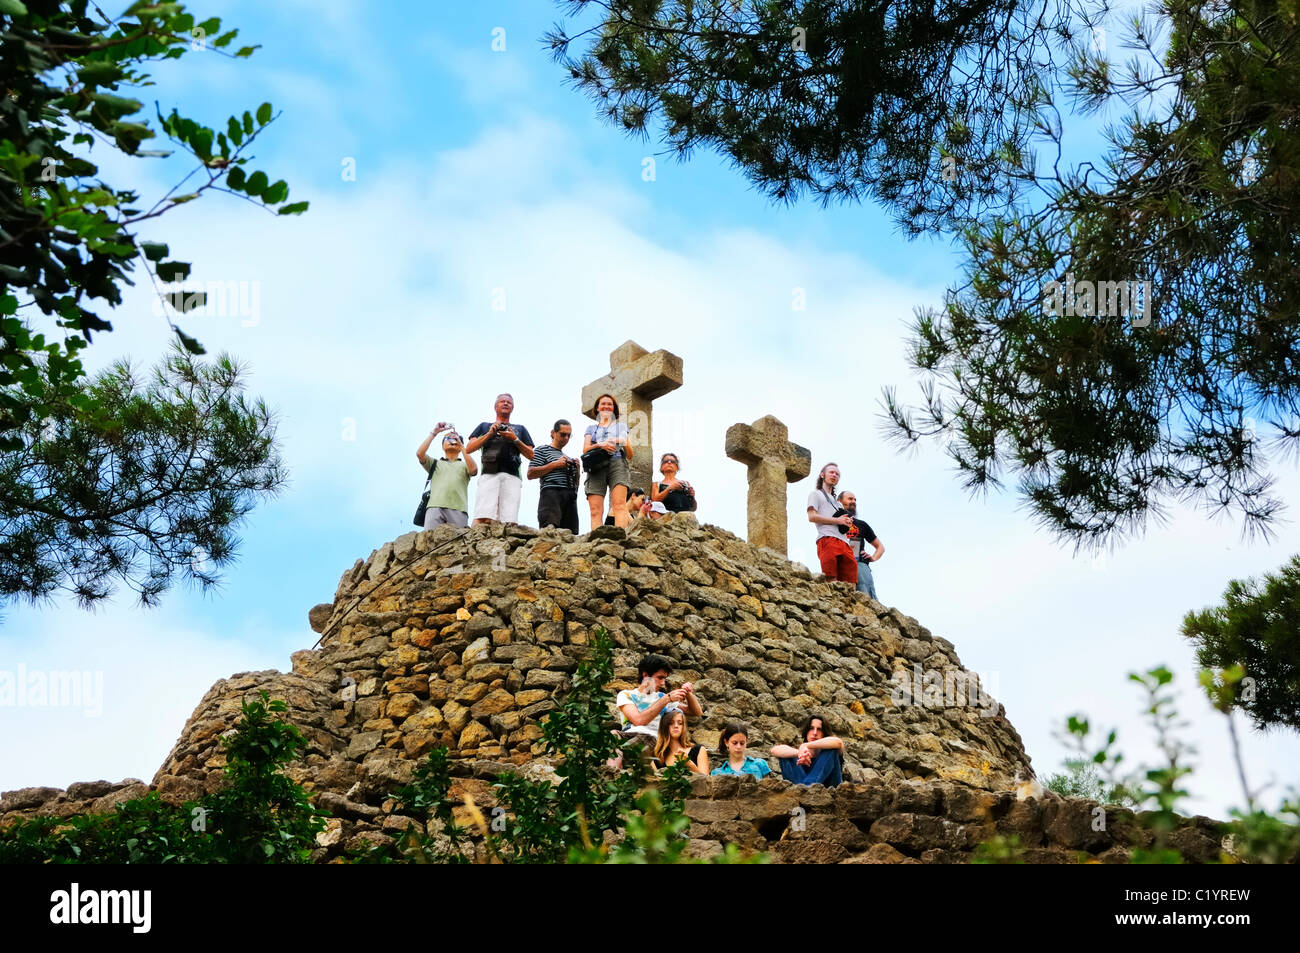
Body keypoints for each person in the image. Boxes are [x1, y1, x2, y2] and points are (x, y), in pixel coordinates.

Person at [610, 654, 705, 768]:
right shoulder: (626, 694)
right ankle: (612, 772)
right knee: (613, 734)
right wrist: (666, 699)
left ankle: (618, 768)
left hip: (653, 739)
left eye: (665, 678)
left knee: (642, 739)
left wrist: (688, 693)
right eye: (660, 678)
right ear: (645, 675)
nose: (663, 683)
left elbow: (696, 712)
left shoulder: (662, 696)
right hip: (629, 735)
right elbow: (639, 721)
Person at [465, 394, 534, 525]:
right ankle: (475, 542)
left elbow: (531, 455)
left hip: (512, 475)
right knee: (482, 516)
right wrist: (489, 434)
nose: (506, 403)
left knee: (510, 519)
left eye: (509, 402)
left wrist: (514, 439)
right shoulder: (484, 426)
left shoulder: (520, 429)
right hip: (489, 474)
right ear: (495, 407)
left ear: (512, 408)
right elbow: (469, 448)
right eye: (502, 401)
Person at [583, 394, 633, 529]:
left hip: (617, 463)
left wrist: (622, 442)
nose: (606, 406)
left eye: (609, 404)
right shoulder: (591, 429)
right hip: (596, 466)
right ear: (597, 408)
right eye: (603, 403)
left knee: (619, 505)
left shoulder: (621, 427)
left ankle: (621, 537)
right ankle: (596, 540)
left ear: (614, 408)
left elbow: (630, 454)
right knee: (595, 510)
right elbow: (585, 449)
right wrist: (601, 444)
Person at [414, 423, 477, 529]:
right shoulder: (435, 463)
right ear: (442, 446)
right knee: (430, 542)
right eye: (448, 439)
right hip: (434, 507)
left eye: (456, 439)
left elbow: (474, 470)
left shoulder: (464, 465)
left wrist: (462, 446)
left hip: (459, 508)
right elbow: (420, 454)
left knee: (458, 543)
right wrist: (434, 433)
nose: (452, 441)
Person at [807, 462, 856, 585]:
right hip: (827, 538)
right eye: (831, 472)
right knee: (831, 579)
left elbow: (840, 522)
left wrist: (846, 522)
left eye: (837, 474)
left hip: (844, 542)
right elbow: (812, 516)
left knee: (851, 581)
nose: (834, 475)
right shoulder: (815, 494)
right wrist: (837, 520)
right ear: (822, 475)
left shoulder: (838, 503)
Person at [529, 419, 580, 533]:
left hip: (570, 497)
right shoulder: (542, 450)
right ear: (553, 433)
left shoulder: (567, 457)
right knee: (549, 531)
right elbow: (530, 473)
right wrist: (554, 465)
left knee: (571, 534)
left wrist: (577, 469)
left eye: (569, 435)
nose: (566, 438)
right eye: (563, 434)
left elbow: (577, 485)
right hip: (551, 494)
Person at [771, 714, 845, 787]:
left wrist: (805, 745)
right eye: (811, 728)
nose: (815, 733)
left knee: (831, 750)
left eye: (819, 729)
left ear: (824, 733)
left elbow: (838, 742)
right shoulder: (801, 754)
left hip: (828, 790)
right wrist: (800, 753)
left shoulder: (829, 752)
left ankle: (808, 788)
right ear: (806, 731)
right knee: (787, 754)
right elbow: (774, 750)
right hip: (800, 789)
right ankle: (805, 789)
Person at [836, 489, 884, 600]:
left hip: (859, 563)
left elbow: (880, 547)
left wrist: (872, 558)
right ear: (839, 501)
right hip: (839, 562)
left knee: (865, 596)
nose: (853, 501)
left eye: (855, 499)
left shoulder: (861, 524)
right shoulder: (833, 520)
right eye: (850, 499)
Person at [652, 709, 709, 775]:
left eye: (680, 723)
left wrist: (690, 765)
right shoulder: (657, 758)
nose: (676, 726)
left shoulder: (699, 750)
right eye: (671, 723)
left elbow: (706, 781)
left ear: (683, 727)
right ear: (664, 726)